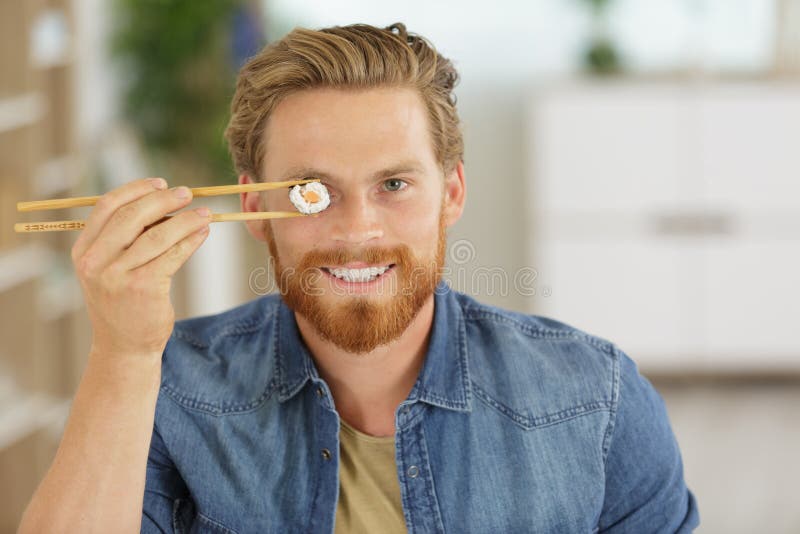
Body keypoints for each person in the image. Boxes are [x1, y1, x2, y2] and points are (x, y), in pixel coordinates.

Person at [19, 22, 699, 533]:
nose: (356, 231)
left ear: (452, 193)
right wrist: (123, 353)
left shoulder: (597, 399)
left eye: (395, 184)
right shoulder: (171, 390)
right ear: (255, 208)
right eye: (313, 191)